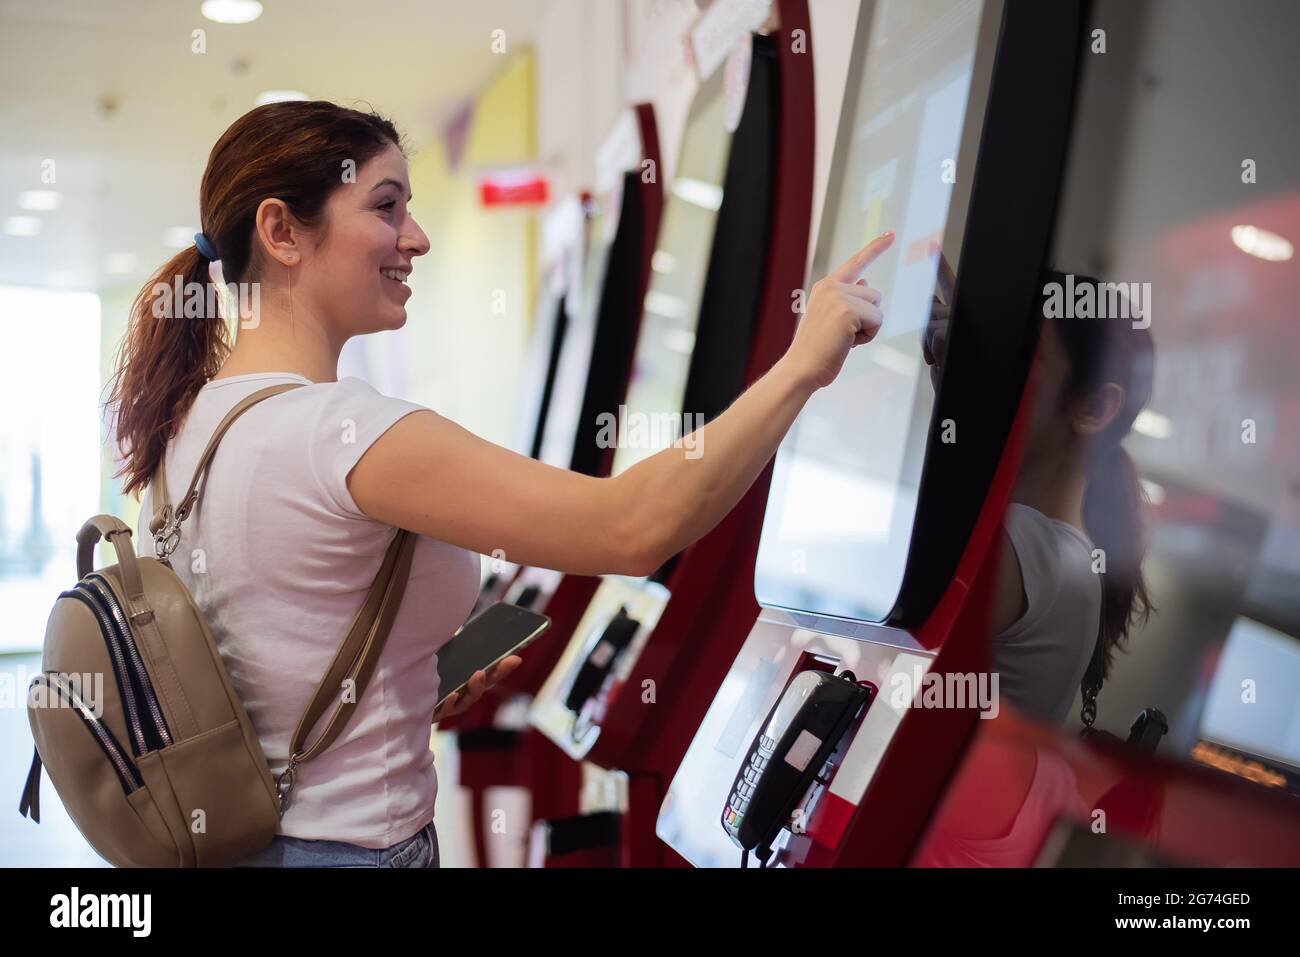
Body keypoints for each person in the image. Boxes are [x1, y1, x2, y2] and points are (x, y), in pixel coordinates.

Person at [107, 100, 894, 867]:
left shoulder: (190, 429)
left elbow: (261, 656)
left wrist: (403, 684)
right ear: (281, 231)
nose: (414, 238)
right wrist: (800, 368)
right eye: (385, 206)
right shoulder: (337, 430)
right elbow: (631, 526)